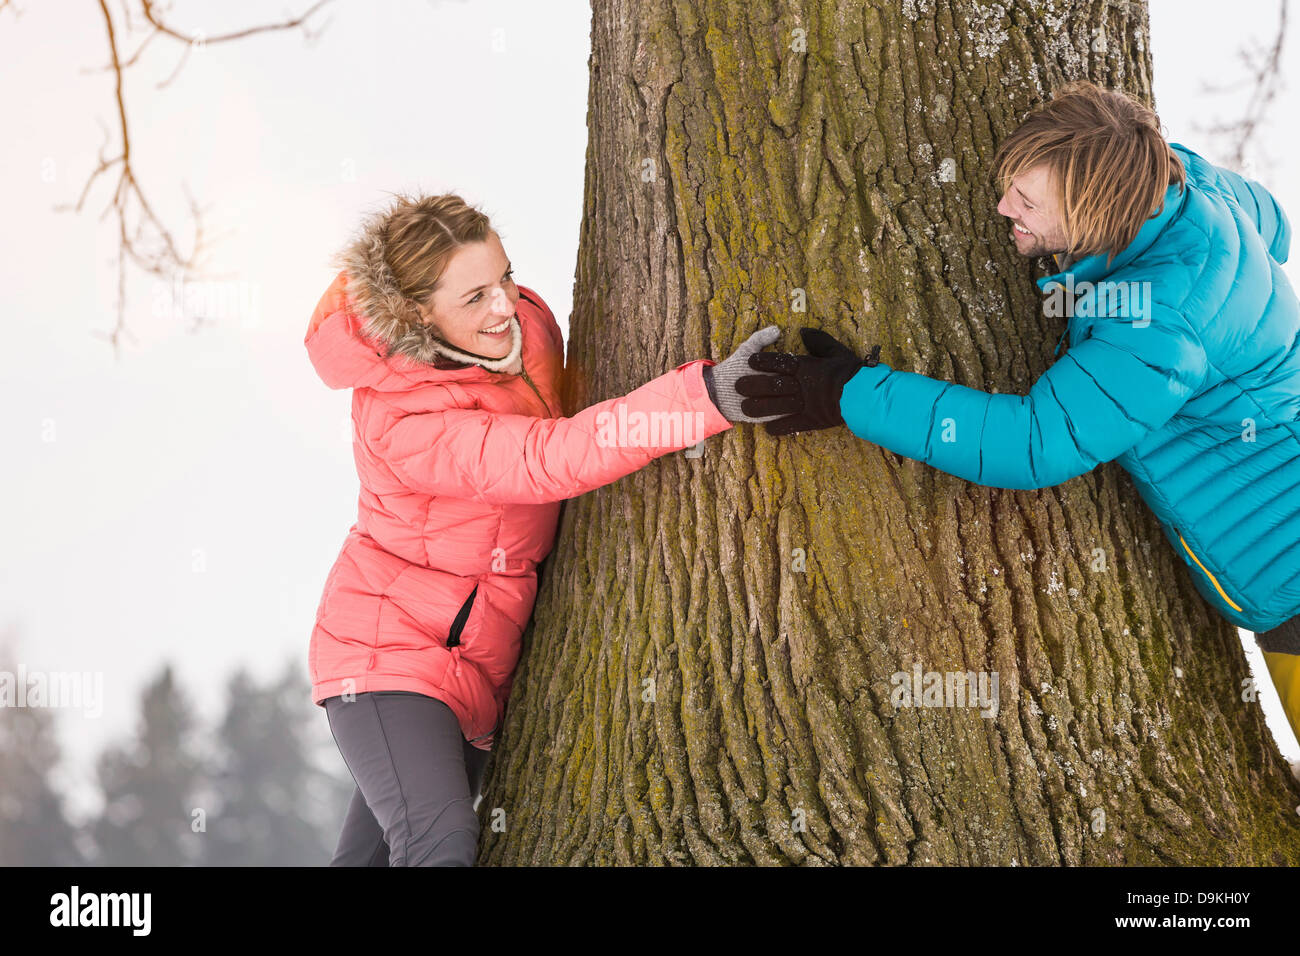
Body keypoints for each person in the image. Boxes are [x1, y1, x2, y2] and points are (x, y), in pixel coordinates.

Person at [737, 80, 1300, 760]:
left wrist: (850, 394)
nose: (1003, 206)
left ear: (1096, 211)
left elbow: (1035, 442)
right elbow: (1275, 224)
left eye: (1026, 202)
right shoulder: (1190, 189)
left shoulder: (1158, 317)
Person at [306, 193, 780, 865]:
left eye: (504, 276)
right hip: (389, 660)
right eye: (473, 298)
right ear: (416, 314)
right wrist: (704, 396)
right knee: (437, 844)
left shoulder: (523, 322)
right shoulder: (401, 422)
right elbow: (546, 457)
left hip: (474, 659)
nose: (505, 305)